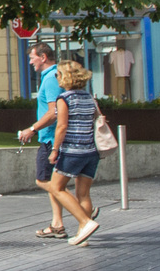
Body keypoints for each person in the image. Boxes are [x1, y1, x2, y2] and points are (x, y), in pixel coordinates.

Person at [41, 62, 102, 246]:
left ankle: (85, 222)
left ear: (66, 77)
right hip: (90, 151)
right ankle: (83, 235)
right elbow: (98, 118)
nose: (57, 78)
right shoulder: (89, 97)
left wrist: (54, 150)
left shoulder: (64, 98)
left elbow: (61, 126)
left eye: (58, 75)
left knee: (56, 187)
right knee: (84, 194)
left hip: (72, 151)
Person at [16, 42, 68, 238]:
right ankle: (57, 224)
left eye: (32, 58)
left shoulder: (51, 79)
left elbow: (54, 112)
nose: (30, 62)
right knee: (52, 182)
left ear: (43, 57)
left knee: (43, 180)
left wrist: (32, 129)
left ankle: (81, 209)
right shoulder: (53, 76)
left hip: (51, 139)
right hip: (51, 137)